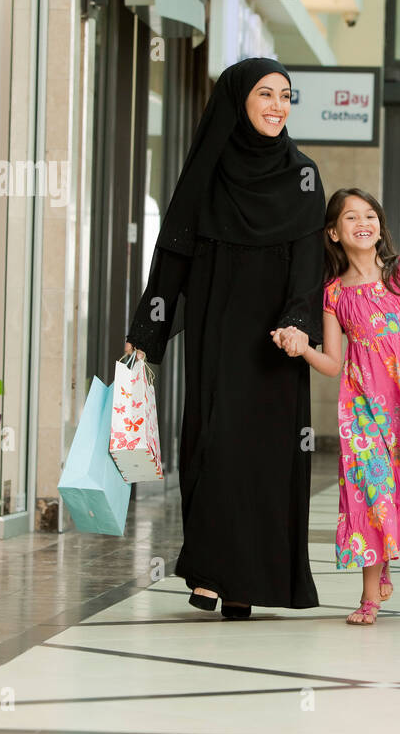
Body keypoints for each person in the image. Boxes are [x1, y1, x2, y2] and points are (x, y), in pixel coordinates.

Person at [124, 57, 324, 620]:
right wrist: (148, 333)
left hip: (277, 345)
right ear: (238, 100)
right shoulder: (208, 169)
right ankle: (210, 570)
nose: (278, 107)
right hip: (216, 330)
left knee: (264, 458)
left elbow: (309, 265)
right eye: (266, 94)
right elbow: (175, 255)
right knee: (211, 443)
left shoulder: (302, 174)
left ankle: (247, 582)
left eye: (286, 96)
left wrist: (297, 324)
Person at [281, 189, 400, 625]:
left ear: (380, 225)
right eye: (351, 216)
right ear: (334, 233)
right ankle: (368, 597)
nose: (364, 221)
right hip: (361, 413)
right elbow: (334, 363)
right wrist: (303, 348)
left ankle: (386, 561)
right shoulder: (334, 294)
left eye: (370, 214)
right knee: (370, 491)